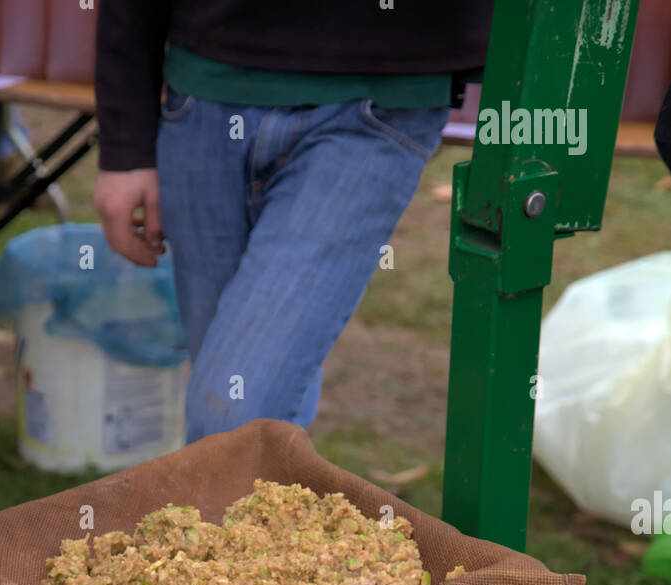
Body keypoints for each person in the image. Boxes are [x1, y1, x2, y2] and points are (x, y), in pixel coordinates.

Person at [93, 1, 494, 443]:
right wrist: (124, 148)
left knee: (235, 415)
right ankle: (270, 504)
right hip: (203, 97)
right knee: (239, 393)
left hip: (378, 104)